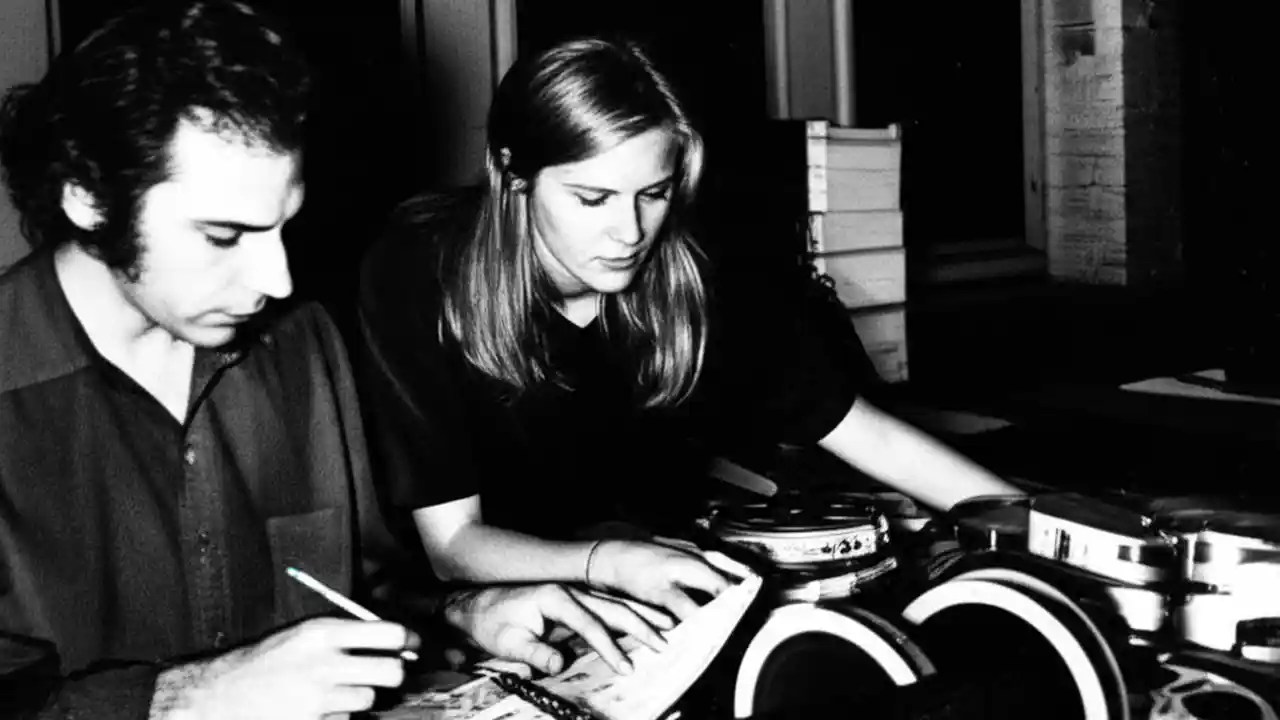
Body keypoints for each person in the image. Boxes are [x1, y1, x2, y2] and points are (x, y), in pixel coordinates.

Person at [0, 5, 665, 719]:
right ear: (89, 199)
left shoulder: (300, 347)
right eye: (224, 235)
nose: (277, 281)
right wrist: (179, 697)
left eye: (284, 227)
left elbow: (364, 590)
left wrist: (467, 613)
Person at [356, 37, 1025, 618]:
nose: (630, 232)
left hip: (626, 558)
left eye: (655, 193)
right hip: (450, 601)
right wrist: (609, 562)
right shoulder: (418, 269)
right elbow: (452, 547)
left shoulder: (695, 278)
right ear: (511, 174)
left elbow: (872, 436)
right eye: (592, 199)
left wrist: (1045, 528)